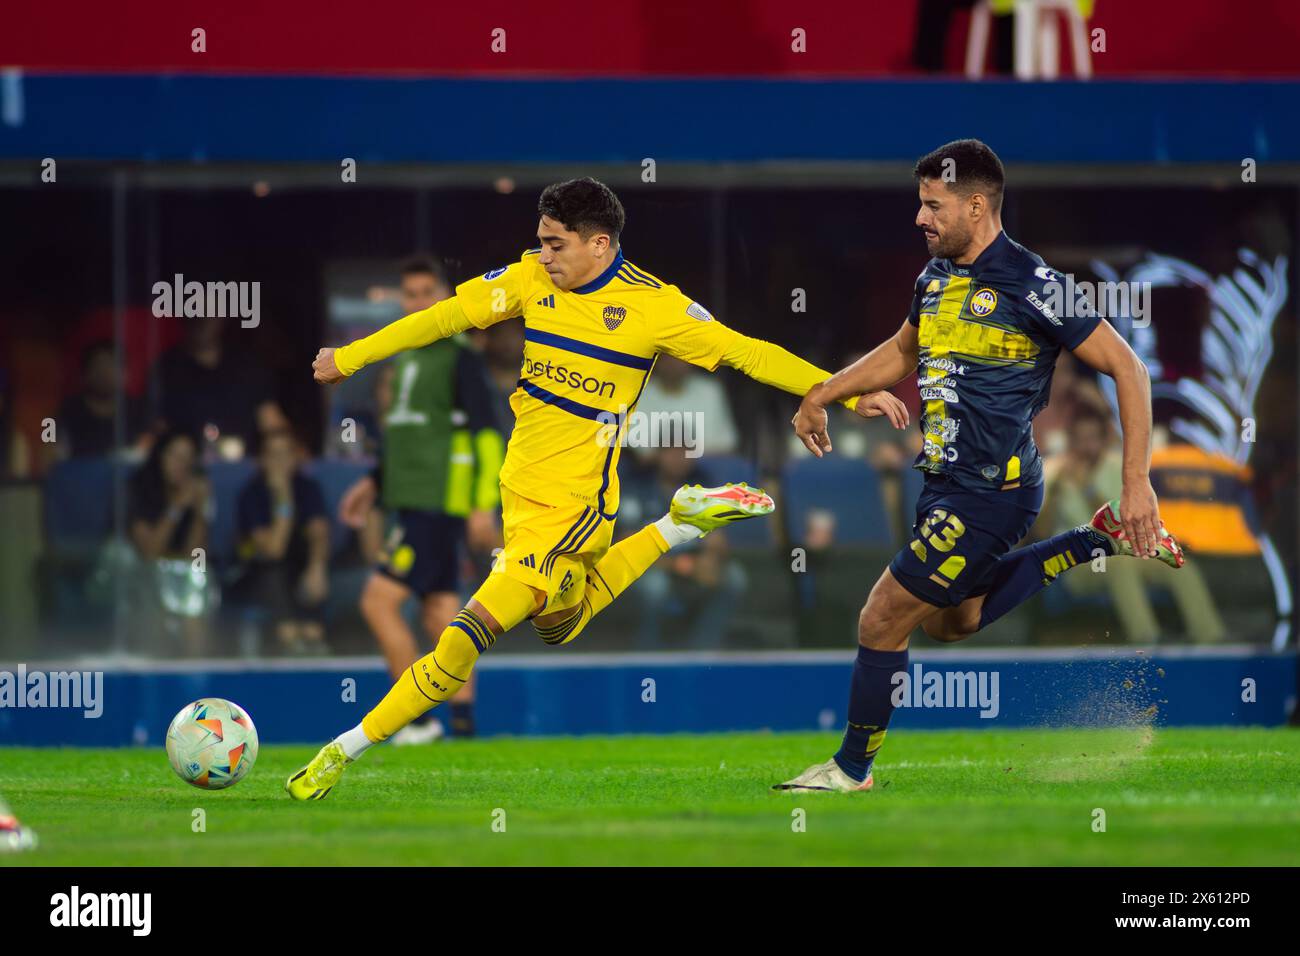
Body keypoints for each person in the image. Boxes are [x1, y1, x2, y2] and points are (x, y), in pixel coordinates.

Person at [287, 177, 905, 799]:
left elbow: (749, 353)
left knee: (463, 638)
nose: (543, 255)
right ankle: (678, 524)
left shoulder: (655, 307)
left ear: (600, 244)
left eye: (556, 244)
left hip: (575, 506)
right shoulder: (530, 277)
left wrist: (842, 390)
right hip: (519, 496)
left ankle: (341, 751)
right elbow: (446, 315)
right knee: (560, 625)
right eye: (540, 242)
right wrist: (355, 355)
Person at [778, 139, 1184, 793]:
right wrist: (825, 391)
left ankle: (851, 770)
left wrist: (1138, 483)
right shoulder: (933, 279)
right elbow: (903, 351)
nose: (920, 218)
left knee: (881, 616)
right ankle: (1093, 539)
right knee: (949, 622)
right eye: (919, 204)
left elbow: (1128, 369)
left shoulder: (1036, 283)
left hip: (990, 493)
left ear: (976, 206)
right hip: (942, 483)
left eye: (932, 205)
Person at [335, 257, 505, 741]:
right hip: (408, 498)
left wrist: (480, 504)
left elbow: (487, 436)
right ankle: (464, 726)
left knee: (378, 602)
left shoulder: (460, 356)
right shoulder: (407, 355)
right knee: (442, 613)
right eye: (409, 295)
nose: (417, 302)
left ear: (446, 296)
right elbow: (410, 435)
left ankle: (419, 719)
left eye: (427, 292)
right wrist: (374, 483)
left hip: (436, 502)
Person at [236, 428, 331, 654]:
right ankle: (288, 640)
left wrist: (317, 566)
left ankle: (313, 643)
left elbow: (319, 533)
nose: (280, 461)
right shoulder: (251, 494)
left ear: (295, 457)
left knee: (312, 630)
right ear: (262, 459)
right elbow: (274, 550)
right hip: (260, 573)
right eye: (273, 455)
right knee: (274, 576)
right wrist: (284, 496)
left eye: (286, 454)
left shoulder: (308, 487)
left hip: (300, 570)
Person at [127, 429, 212, 655]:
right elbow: (150, 552)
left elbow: (195, 559)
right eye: (174, 456)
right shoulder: (139, 488)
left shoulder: (196, 492)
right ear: (160, 457)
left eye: (187, 459)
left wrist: (200, 514)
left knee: (197, 582)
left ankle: (195, 673)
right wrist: (177, 508)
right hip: (142, 576)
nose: (180, 465)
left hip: (182, 579)